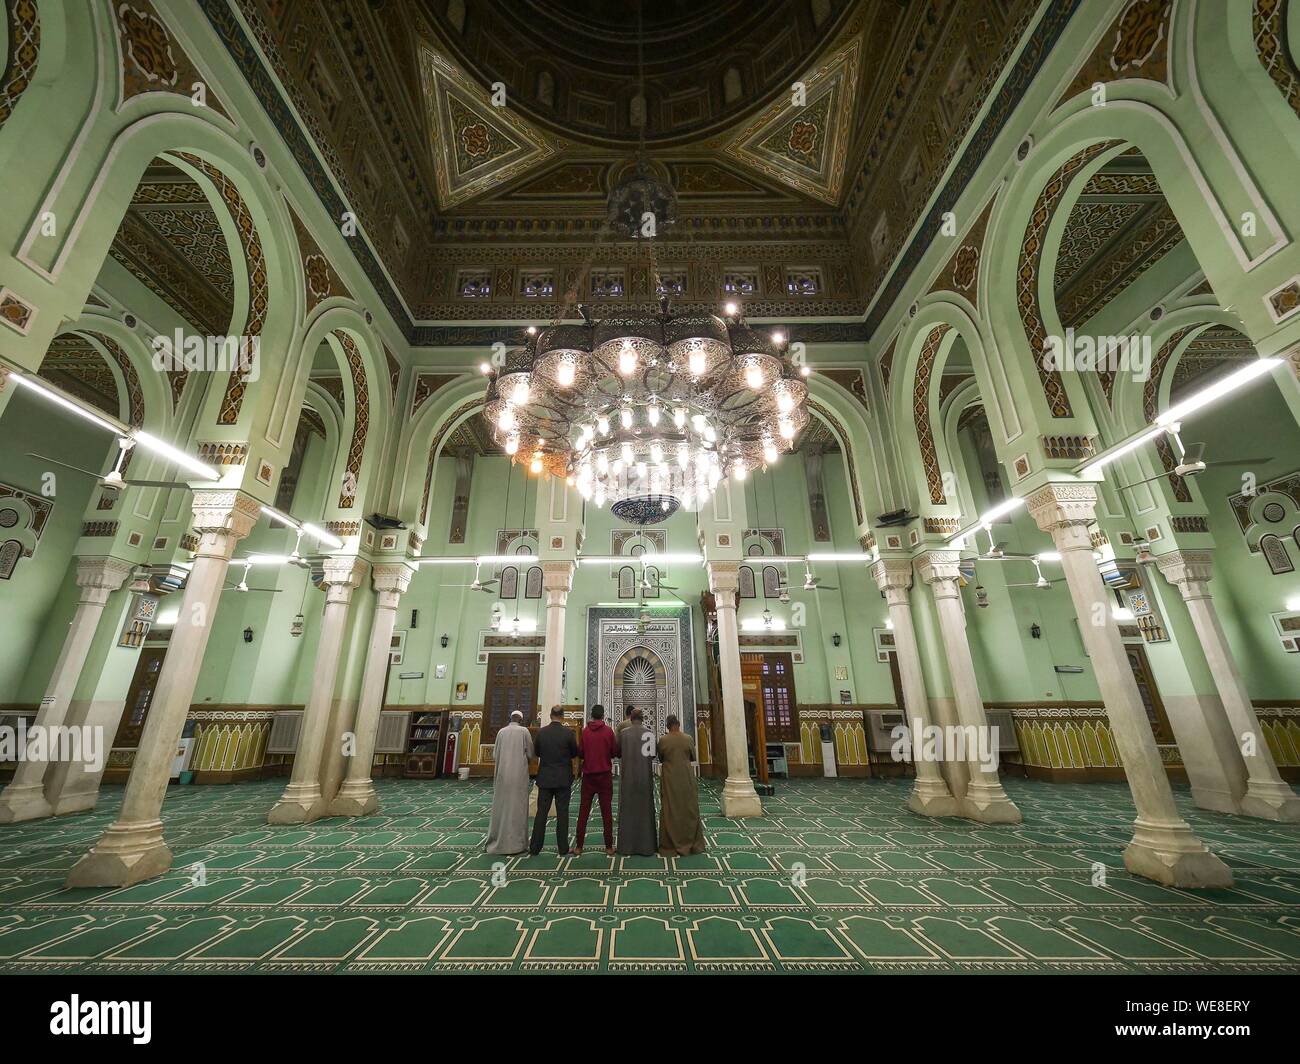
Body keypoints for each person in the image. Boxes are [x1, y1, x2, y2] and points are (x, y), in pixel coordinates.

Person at [529, 704, 579, 856]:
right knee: (562, 813)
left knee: (541, 813)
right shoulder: (568, 734)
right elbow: (574, 753)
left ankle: (535, 847)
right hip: (563, 779)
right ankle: (563, 848)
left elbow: (536, 752)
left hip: (545, 778)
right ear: (563, 717)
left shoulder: (542, 733)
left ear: (551, 715)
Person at [485, 709, 534, 855]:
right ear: (521, 719)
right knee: (517, 809)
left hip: (502, 776)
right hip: (518, 777)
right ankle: (517, 845)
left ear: (511, 718)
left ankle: (497, 842)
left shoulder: (501, 732)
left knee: (501, 807)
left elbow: (495, 755)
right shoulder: (524, 731)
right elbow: (531, 753)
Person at [657, 714, 705, 857]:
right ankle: (691, 843)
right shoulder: (688, 738)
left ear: (667, 726)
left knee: (670, 808)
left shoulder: (663, 740)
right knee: (688, 807)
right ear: (678, 724)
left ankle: (671, 843)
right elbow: (693, 757)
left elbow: (661, 758)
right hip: (686, 778)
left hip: (670, 779)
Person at [575, 703, 620, 856]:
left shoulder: (585, 732)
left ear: (592, 716)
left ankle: (579, 847)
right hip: (604, 776)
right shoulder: (608, 732)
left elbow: (580, 752)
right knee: (606, 812)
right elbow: (614, 751)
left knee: (583, 812)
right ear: (602, 716)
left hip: (588, 777)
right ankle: (608, 847)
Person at [616, 708, 657, 856]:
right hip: (644, 778)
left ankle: (626, 847)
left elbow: (618, 753)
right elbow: (652, 755)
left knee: (628, 812)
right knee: (645, 811)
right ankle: (647, 847)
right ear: (643, 718)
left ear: (631, 718)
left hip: (628, 778)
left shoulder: (623, 734)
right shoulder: (649, 734)